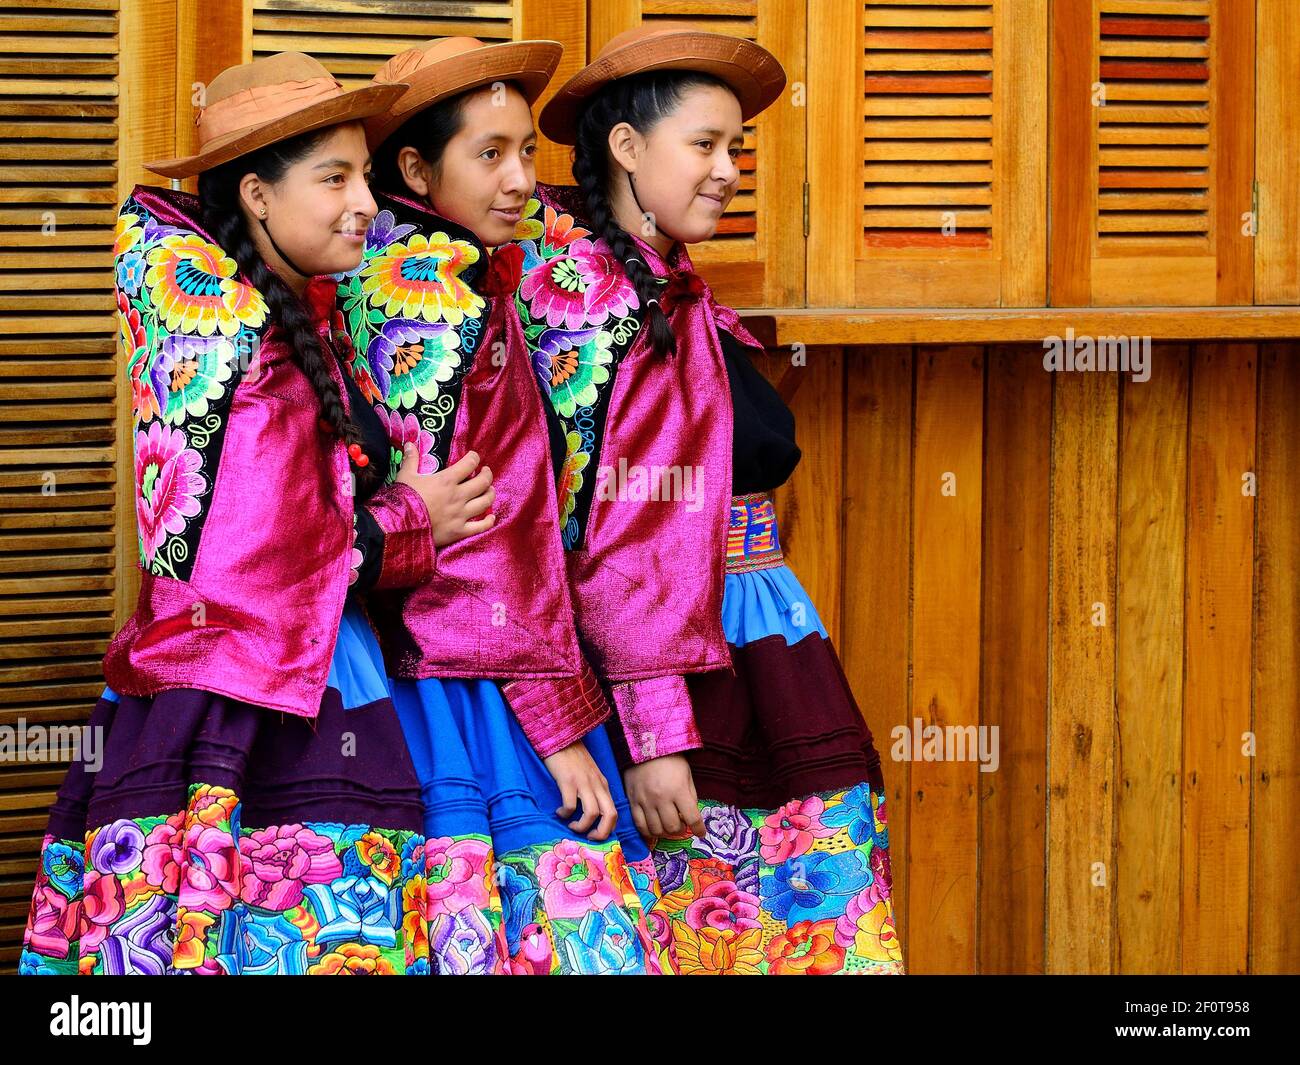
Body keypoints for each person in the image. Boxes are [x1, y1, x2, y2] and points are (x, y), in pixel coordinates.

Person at [16, 52, 474, 975]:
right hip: (255, 684)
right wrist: (404, 521)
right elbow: (248, 553)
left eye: (368, 177)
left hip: (298, 666)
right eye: (334, 178)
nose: (365, 204)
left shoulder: (296, 324)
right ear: (258, 195)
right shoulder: (243, 348)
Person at [512, 24, 905, 975]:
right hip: (677, 671)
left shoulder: (670, 292)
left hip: (745, 639)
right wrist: (653, 738)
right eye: (706, 145)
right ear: (627, 147)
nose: (729, 170)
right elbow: (611, 532)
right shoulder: (592, 302)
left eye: (737, 149)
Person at [342, 36, 662, 974]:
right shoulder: (435, 303)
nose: (522, 178)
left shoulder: (412, 274)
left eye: (528, 150)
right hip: (468, 677)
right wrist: (556, 721)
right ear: (413, 168)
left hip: (406, 663)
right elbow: (482, 536)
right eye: (490, 155)